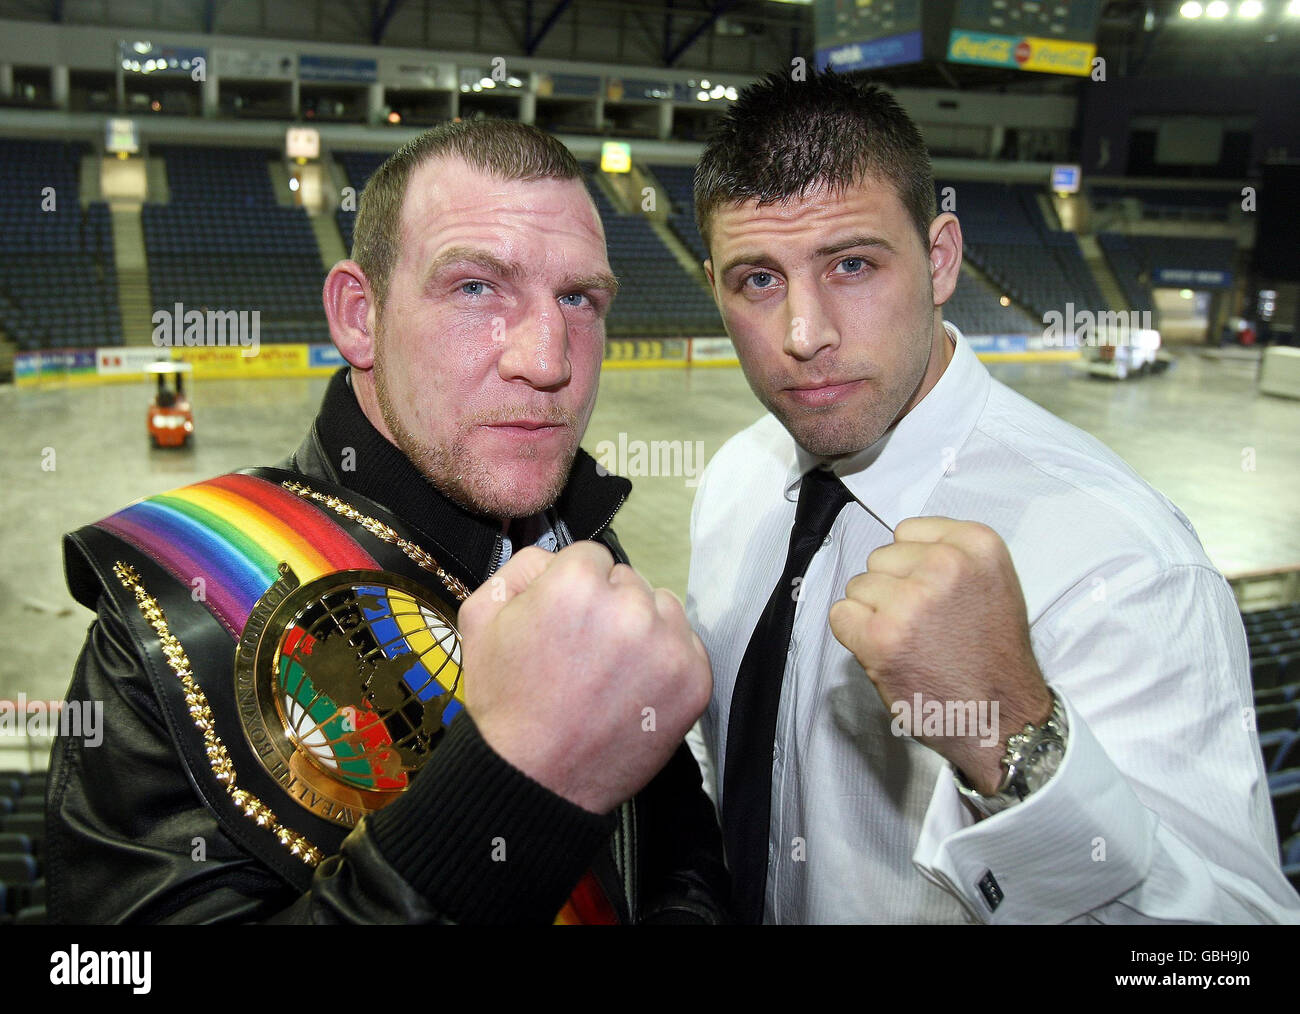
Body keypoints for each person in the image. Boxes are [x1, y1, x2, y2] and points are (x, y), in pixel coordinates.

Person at [50, 119, 728, 924]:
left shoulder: (581, 546)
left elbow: (675, 866)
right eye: (476, 288)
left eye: (578, 298)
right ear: (358, 316)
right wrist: (511, 789)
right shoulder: (167, 617)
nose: (549, 361)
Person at [685, 69, 1300, 924]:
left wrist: (1012, 737)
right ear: (714, 283)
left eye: (853, 265)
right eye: (758, 279)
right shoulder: (735, 480)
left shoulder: (1122, 561)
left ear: (941, 259)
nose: (804, 334)